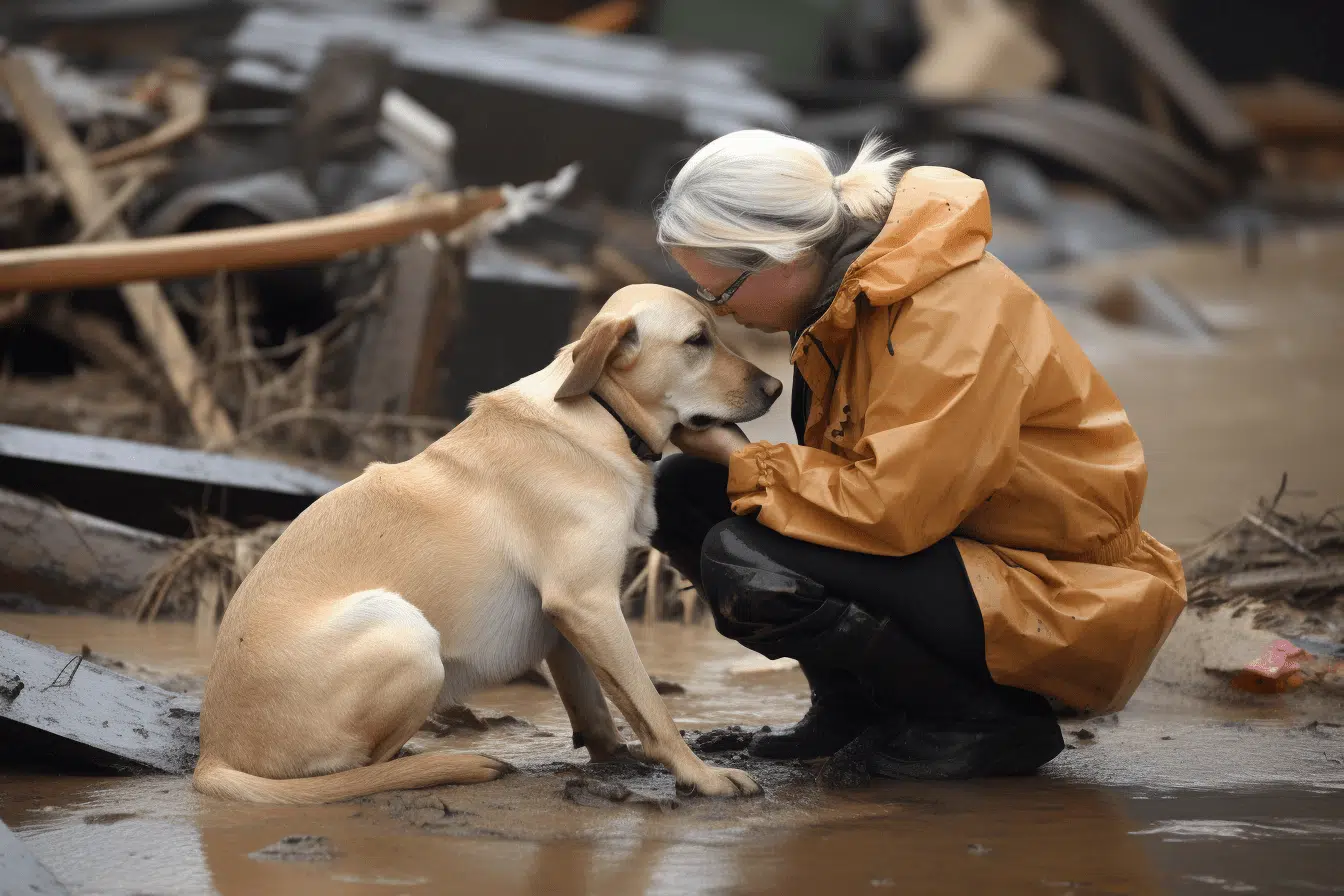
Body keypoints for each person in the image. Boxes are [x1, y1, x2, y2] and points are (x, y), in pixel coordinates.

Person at [652, 130, 1187, 781]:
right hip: (961, 555)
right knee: (684, 491)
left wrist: (742, 460)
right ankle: (852, 709)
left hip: (1060, 593)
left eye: (721, 290)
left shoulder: (943, 313)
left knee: (743, 556)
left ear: (783, 256)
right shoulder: (844, 292)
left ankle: (979, 721)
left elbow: (895, 511)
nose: (721, 311)